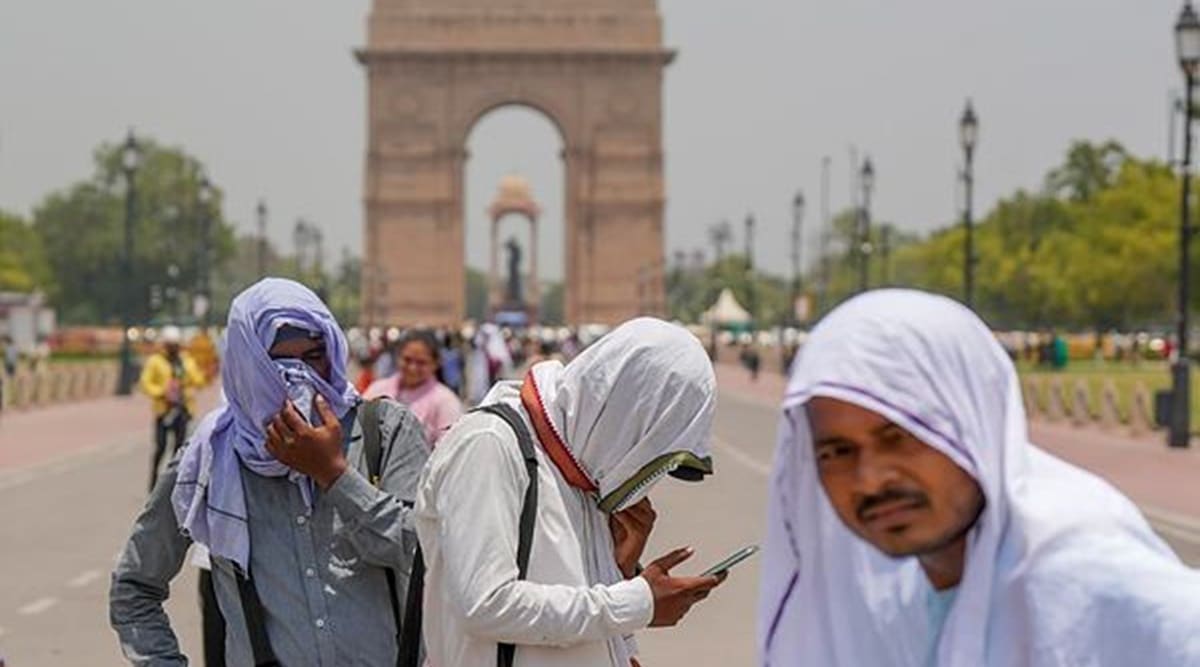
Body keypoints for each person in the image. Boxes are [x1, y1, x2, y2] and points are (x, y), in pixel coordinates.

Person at [757, 290, 1200, 667]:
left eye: (900, 437)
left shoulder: (1081, 576)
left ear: (972, 423)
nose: (870, 480)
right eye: (837, 452)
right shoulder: (896, 589)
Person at [110, 278, 430, 666]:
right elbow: (135, 586)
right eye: (277, 364)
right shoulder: (213, 457)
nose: (299, 377)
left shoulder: (383, 432)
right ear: (249, 368)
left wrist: (334, 476)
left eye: (313, 357)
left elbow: (425, 554)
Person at [415, 317, 726, 667]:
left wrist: (619, 568)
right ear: (624, 412)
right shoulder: (489, 445)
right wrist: (638, 603)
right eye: (645, 451)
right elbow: (485, 604)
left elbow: (576, 608)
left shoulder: (577, 463)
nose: (641, 473)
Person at [364, 329, 464, 446]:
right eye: (407, 360)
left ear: (436, 363)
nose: (412, 368)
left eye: (421, 362)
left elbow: (449, 449)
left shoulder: (446, 402)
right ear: (398, 357)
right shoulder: (377, 390)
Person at [139, 325, 206, 490]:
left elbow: (197, 380)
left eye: (175, 345)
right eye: (170, 345)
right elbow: (145, 383)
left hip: (182, 410)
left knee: (179, 450)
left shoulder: (186, 361)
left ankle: (173, 484)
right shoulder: (156, 361)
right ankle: (153, 483)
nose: (173, 348)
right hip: (164, 410)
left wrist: (202, 376)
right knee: (160, 447)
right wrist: (162, 392)